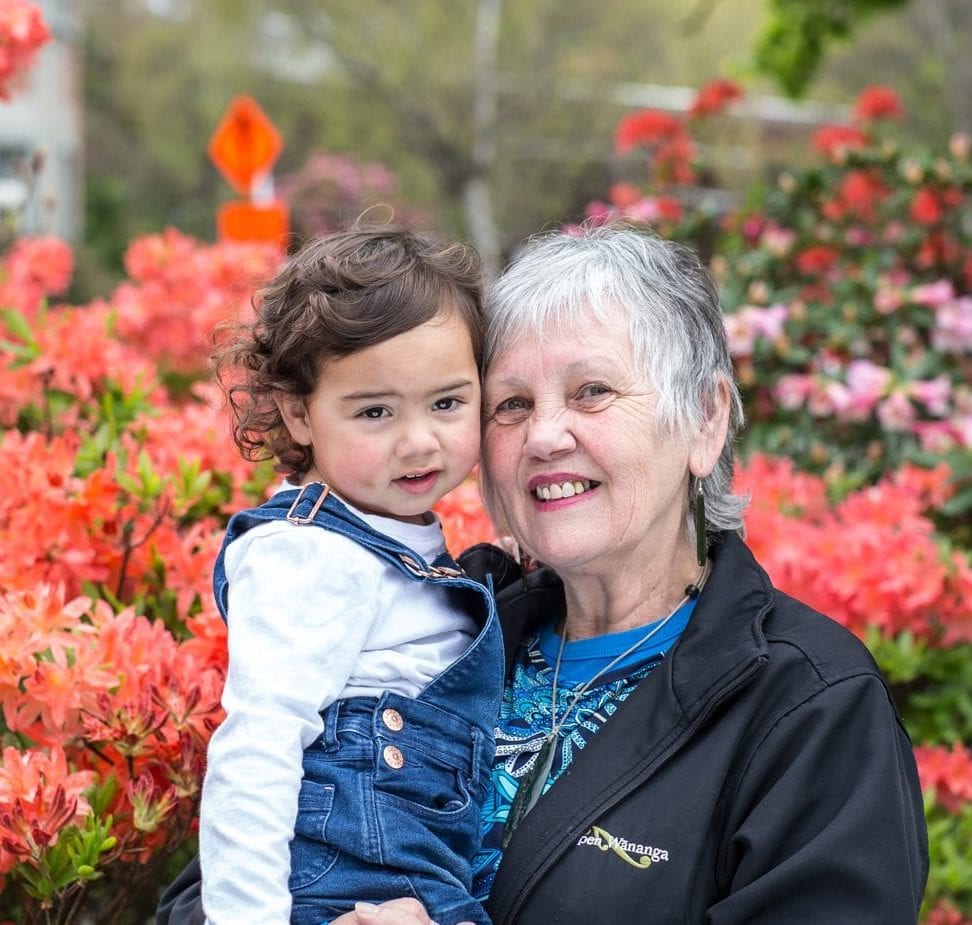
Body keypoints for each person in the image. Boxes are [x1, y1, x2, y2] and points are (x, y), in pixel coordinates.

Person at [159, 223, 928, 925]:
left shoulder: (808, 707)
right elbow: (209, 883)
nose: (545, 435)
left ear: (705, 418)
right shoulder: (452, 626)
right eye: (512, 403)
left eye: (592, 391)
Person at [196, 225, 502, 925]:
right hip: (341, 891)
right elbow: (257, 747)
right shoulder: (310, 556)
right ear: (298, 413)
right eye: (374, 411)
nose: (419, 439)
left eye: (447, 402)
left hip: (408, 880)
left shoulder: (391, 539)